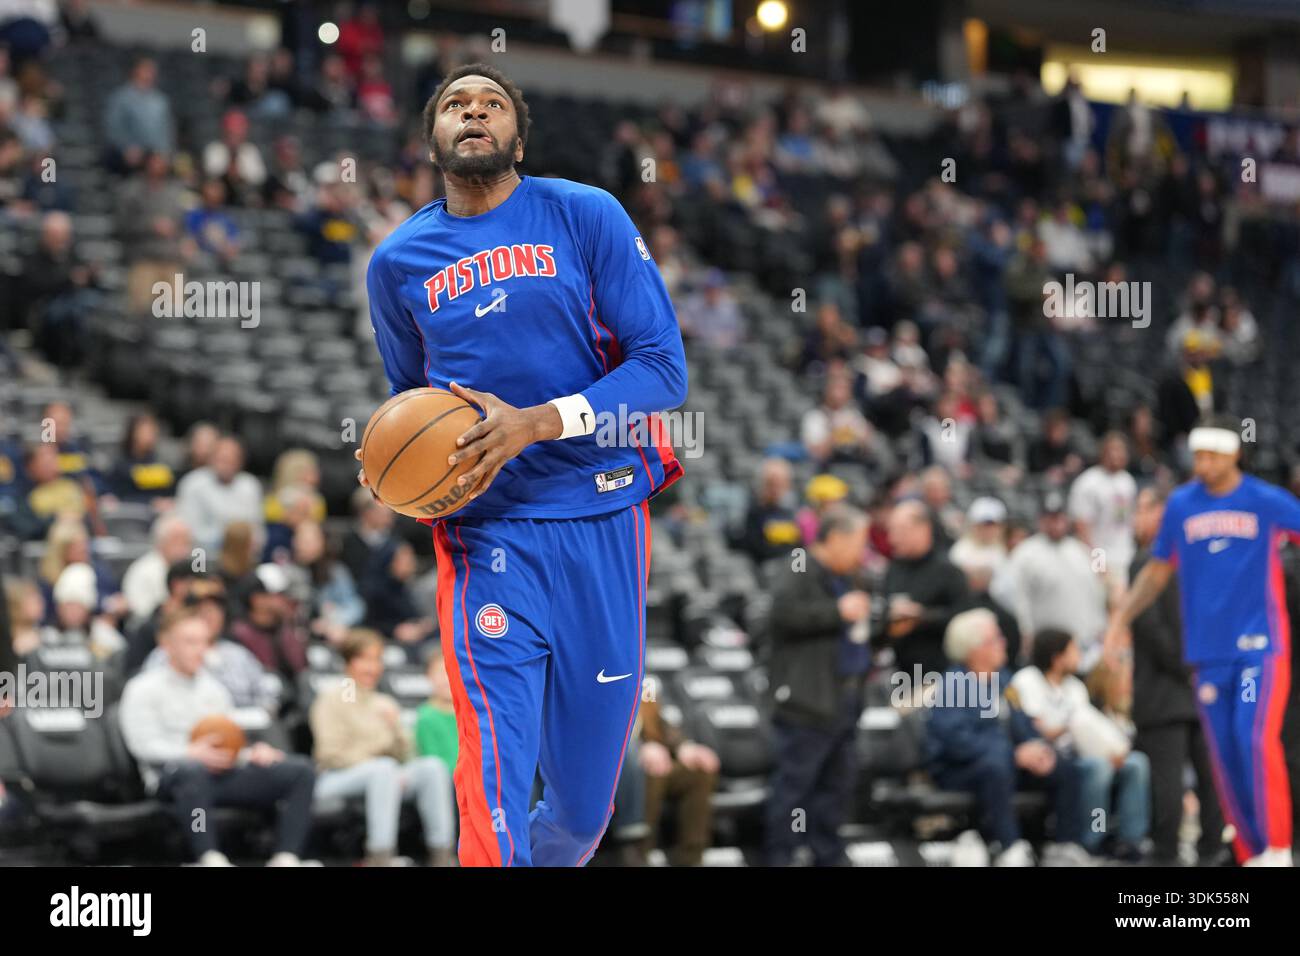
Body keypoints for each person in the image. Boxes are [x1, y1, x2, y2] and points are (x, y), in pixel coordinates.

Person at [358, 63, 686, 867]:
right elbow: (414, 406)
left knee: (579, 814)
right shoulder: (397, 263)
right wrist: (424, 480)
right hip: (489, 539)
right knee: (495, 777)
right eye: (454, 105)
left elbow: (663, 370)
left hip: (604, 516)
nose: (473, 112)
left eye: (492, 102)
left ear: (518, 134)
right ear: (432, 138)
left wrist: (535, 425)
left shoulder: (585, 215)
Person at [1106, 414, 1297, 866]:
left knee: (1254, 739)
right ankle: (1252, 852)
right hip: (1208, 654)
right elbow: (1156, 570)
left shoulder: (1263, 499)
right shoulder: (1181, 505)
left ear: (1233, 454)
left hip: (1259, 646)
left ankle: (1278, 847)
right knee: (1224, 754)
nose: (1202, 464)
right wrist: (1120, 619)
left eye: (1211, 455)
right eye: (1198, 455)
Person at [119, 609, 315, 866]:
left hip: (222, 774)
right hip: (172, 778)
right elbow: (142, 746)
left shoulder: (214, 689)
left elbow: (228, 740)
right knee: (193, 770)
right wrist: (189, 752)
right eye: (190, 642)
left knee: (299, 770)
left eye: (205, 642)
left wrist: (250, 753)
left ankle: (286, 857)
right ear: (165, 644)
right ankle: (209, 857)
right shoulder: (142, 688)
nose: (200, 650)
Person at [924, 609, 1090, 866]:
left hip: (1006, 762)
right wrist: (1013, 754)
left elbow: (1021, 722)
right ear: (975, 648)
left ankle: (1064, 846)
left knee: (1064, 768)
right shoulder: (953, 685)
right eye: (996, 639)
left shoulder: (1005, 682)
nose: (1004, 643)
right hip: (959, 769)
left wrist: (1035, 746)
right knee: (996, 766)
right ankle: (1009, 847)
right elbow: (956, 740)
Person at [764, 504, 872, 866]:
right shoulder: (799, 565)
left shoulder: (849, 576)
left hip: (844, 699)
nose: (862, 551)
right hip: (806, 702)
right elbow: (781, 614)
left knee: (835, 790)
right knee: (793, 789)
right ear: (837, 538)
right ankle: (780, 858)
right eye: (858, 542)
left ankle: (828, 856)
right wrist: (837, 612)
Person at [1128, 486, 1226, 866]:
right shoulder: (1158, 563)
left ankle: (1205, 852)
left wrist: (1195, 668)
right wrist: (1198, 667)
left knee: (1208, 782)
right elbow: (1151, 629)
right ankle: (1182, 854)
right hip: (1180, 690)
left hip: (1178, 690)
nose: (1138, 518)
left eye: (1144, 509)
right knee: (1175, 786)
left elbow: (1155, 629)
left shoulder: (1155, 562)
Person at [310, 630, 456, 867]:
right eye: (364, 659)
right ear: (348, 661)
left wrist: (396, 730)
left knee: (432, 767)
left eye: (376, 659)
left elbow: (405, 754)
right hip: (334, 778)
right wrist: (378, 759)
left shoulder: (384, 702)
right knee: (383, 768)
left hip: (385, 775)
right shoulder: (336, 696)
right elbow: (330, 753)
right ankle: (380, 858)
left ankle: (442, 855)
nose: (372, 667)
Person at [1010, 630, 1150, 861]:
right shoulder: (1026, 680)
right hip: (1052, 757)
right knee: (1098, 768)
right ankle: (1093, 838)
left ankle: (1130, 840)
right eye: (1073, 650)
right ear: (1057, 657)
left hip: (1083, 750)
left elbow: (1086, 728)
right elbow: (1033, 728)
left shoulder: (1076, 687)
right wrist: (1072, 725)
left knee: (1136, 763)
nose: (1079, 656)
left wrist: (1107, 749)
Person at [992, 491, 1108, 670]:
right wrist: (1026, 628)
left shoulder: (1080, 550)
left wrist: (1100, 625)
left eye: (1059, 518)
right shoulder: (1026, 553)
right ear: (1041, 521)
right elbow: (1003, 590)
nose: (1056, 524)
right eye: (1050, 518)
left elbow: (1096, 591)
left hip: (1083, 645)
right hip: (1045, 648)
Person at [880, 499, 970, 678]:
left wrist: (922, 617)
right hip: (900, 671)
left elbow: (965, 618)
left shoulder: (948, 571)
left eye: (900, 531)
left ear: (923, 529)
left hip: (940, 674)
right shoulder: (893, 568)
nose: (892, 538)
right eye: (891, 531)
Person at [1068, 431, 1138, 590]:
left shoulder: (1127, 481)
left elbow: (1128, 523)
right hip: (1101, 560)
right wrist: (1098, 565)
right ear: (1103, 452)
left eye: (1121, 450)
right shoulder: (1088, 483)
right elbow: (1082, 528)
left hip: (1126, 557)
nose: (1117, 455)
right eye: (1113, 449)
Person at [175, 436, 263, 555]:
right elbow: (188, 529)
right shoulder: (193, 483)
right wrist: (226, 539)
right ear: (211, 459)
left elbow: (257, 531)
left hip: (239, 555)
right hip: (200, 553)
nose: (226, 465)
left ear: (241, 462)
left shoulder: (250, 485)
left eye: (232, 460)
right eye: (222, 459)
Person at [120, 514, 192, 626]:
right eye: (178, 540)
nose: (185, 547)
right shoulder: (143, 570)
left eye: (187, 541)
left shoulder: (189, 570)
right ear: (161, 541)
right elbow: (141, 612)